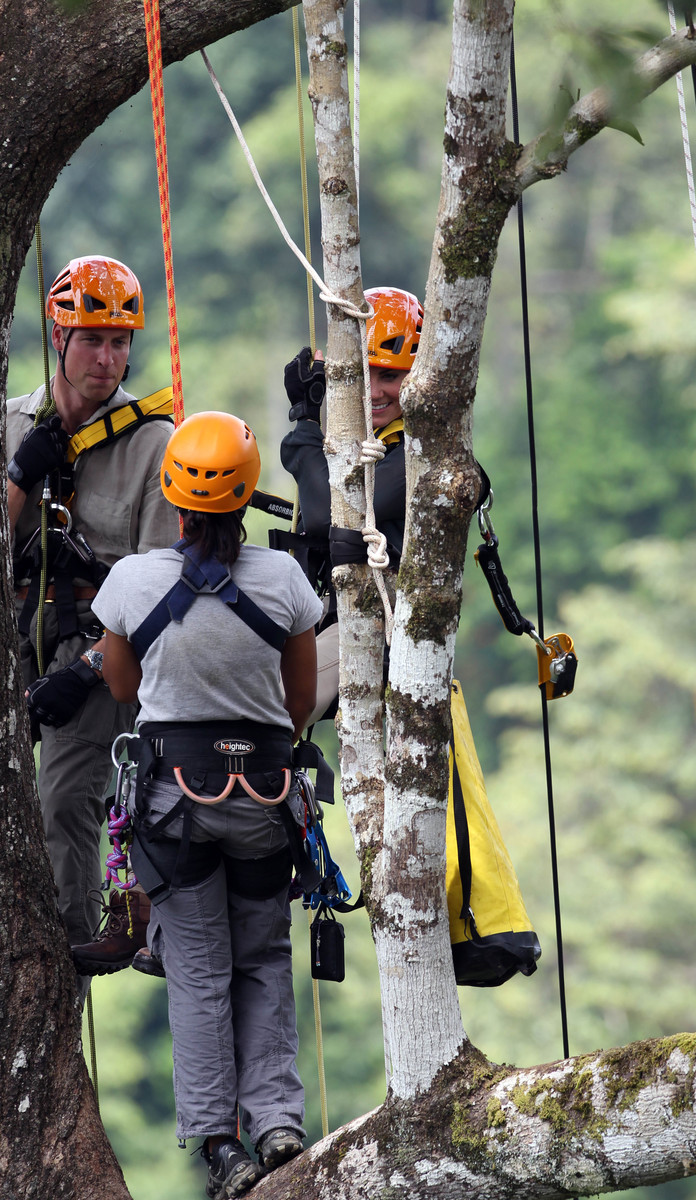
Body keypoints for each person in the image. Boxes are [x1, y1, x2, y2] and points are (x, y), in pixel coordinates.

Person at [92, 411, 321, 1197]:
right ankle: (280, 1121)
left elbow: (122, 687)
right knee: (262, 959)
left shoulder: (133, 582)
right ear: (249, 495)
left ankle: (223, 1147)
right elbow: (299, 701)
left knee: (197, 972)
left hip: (172, 803)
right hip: (263, 797)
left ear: (174, 496)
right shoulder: (285, 583)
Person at [6, 255, 179, 985]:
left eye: (119, 342)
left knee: (62, 801)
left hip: (101, 655)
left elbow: (162, 592)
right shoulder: (15, 424)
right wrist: (19, 476)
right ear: (58, 336)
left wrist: (84, 673)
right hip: (19, 642)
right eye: (91, 340)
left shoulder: (152, 443)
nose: (107, 358)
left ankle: (65, 955)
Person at [278, 285, 423, 720]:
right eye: (363, 374)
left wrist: (305, 423)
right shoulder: (362, 442)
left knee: (269, 706)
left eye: (389, 376)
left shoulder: (420, 453)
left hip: (375, 632)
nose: (374, 391)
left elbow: (328, 517)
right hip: (332, 617)